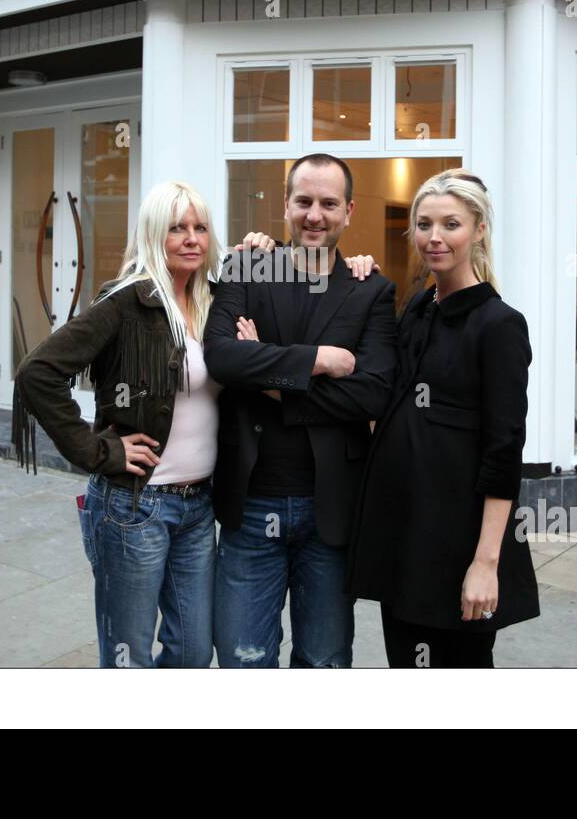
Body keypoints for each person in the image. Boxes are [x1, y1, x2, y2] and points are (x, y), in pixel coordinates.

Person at [11, 181, 224, 668]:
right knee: (128, 657)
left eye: (200, 228)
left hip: (198, 509)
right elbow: (38, 372)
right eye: (176, 229)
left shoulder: (213, 302)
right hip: (135, 507)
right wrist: (98, 450)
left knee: (192, 652)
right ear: (153, 235)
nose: (191, 238)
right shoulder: (126, 303)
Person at [203, 154, 397, 668]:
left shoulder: (371, 288)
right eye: (304, 201)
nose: (315, 214)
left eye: (329, 203)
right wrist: (319, 362)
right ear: (286, 205)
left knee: (324, 662)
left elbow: (374, 393)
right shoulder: (246, 266)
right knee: (244, 660)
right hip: (250, 506)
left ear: (349, 210)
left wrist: (268, 380)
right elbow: (222, 356)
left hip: (330, 513)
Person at [346, 168, 540, 668]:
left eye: (450, 224)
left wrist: (485, 564)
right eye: (424, 224)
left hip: (457, 549)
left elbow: (504, 453)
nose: (435, 238)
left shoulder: (500, 325)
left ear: (478, 229)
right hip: (403, 538)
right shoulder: (417, 308)